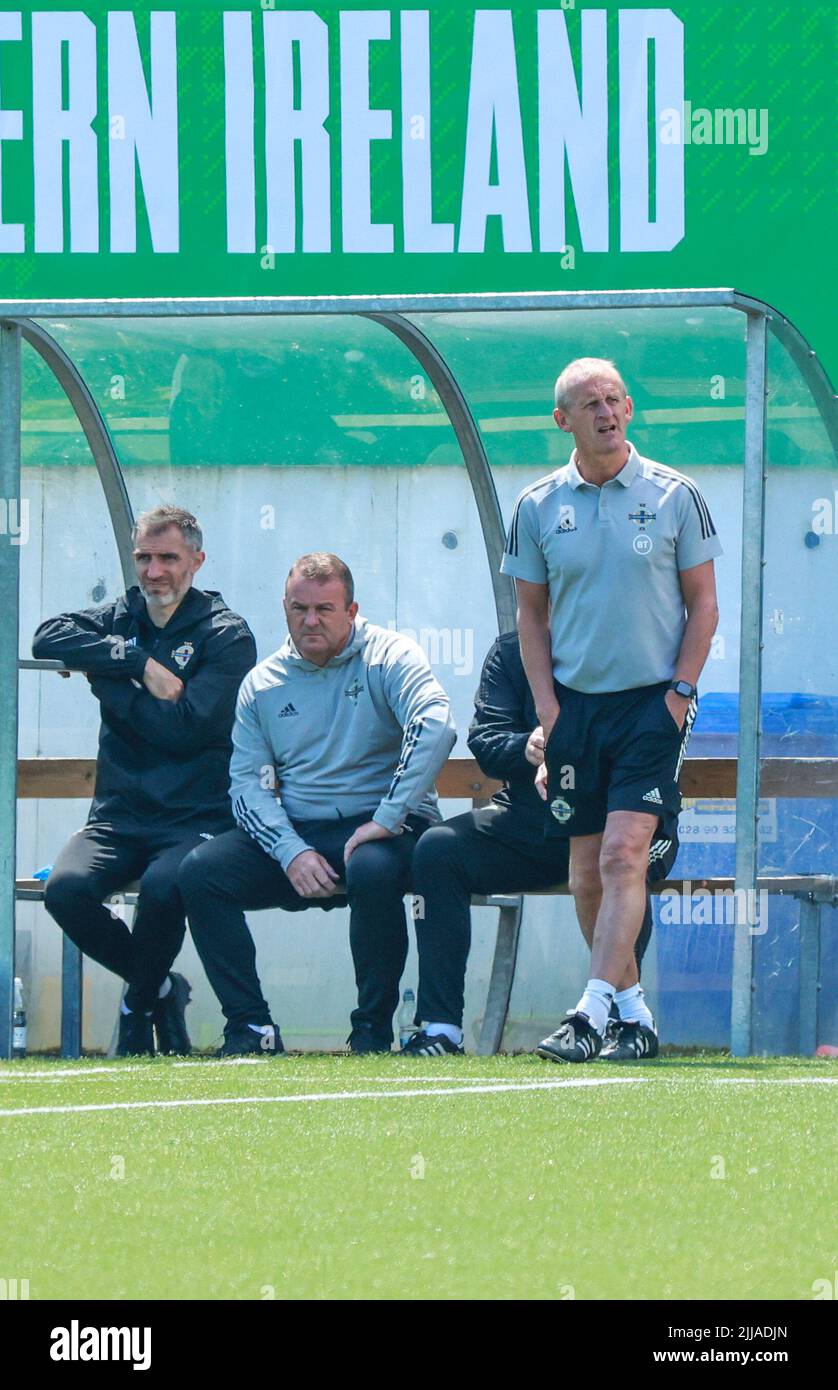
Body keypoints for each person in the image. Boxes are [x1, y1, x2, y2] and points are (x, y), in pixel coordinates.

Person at [500, 357, 721, 1062]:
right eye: (589, 403)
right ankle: (633, 1015)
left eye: (614, 399)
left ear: (629, 407)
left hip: (650, 708)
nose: (606, 411)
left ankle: (588, 1012)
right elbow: (529, 618)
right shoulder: (536, 504)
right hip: (576, 713)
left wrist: (679, 695)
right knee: (585, 875)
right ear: (562, 420)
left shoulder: (676, 494)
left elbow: (704, 606)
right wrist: (547, 709)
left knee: (626, 855)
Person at [178, 553, 456, 1057]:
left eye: (324, 609)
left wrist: (387, 818)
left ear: (352, 610)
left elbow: (436, 726)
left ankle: (371, 1029)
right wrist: (290, 851)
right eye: (298, 608)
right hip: (303, 832)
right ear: (284, 607)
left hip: (388, 828)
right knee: (200, 872)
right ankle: (250, 1028)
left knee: (370, 867)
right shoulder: (263, 683)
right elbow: (246, 786)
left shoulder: (389, 656)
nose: (310, 620)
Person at [32, 505, 257, 1057]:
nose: (154, 571)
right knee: (63, 891)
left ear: (197, 562)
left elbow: (183, 731)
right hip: (118, 816)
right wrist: (134, 661)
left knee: (164, 888)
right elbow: (46, 636)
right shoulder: (123, 616)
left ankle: (136, 1010)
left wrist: (103, 682)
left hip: (195, 820)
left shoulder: (226, 634)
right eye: (143, 558)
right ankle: (157, 989)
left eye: (168, 558)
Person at [405, 630, 676, 1057]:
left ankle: (622, 1021)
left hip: (616, 826)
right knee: (437, 849)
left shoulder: (630, 649)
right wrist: (528, 747)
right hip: (532, 828)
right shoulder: (513, 650)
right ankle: (441, 1030)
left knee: (623, 857)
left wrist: (571, 752)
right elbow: (486, 739)